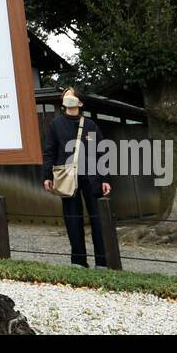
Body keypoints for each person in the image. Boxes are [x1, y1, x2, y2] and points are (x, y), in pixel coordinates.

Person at [42, 87, 111, 267]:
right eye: (66, 95)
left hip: (92, 175)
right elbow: (49, 151)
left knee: (98, 219)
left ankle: (102, 262)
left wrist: (105, 178)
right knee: (73, 219)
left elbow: (102, 152)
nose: (68, 97)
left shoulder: (90, 125)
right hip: (66, 176)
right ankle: (78, 261)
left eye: (72, 95)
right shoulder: (56, 124)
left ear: (80, 102)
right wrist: (47, 175)